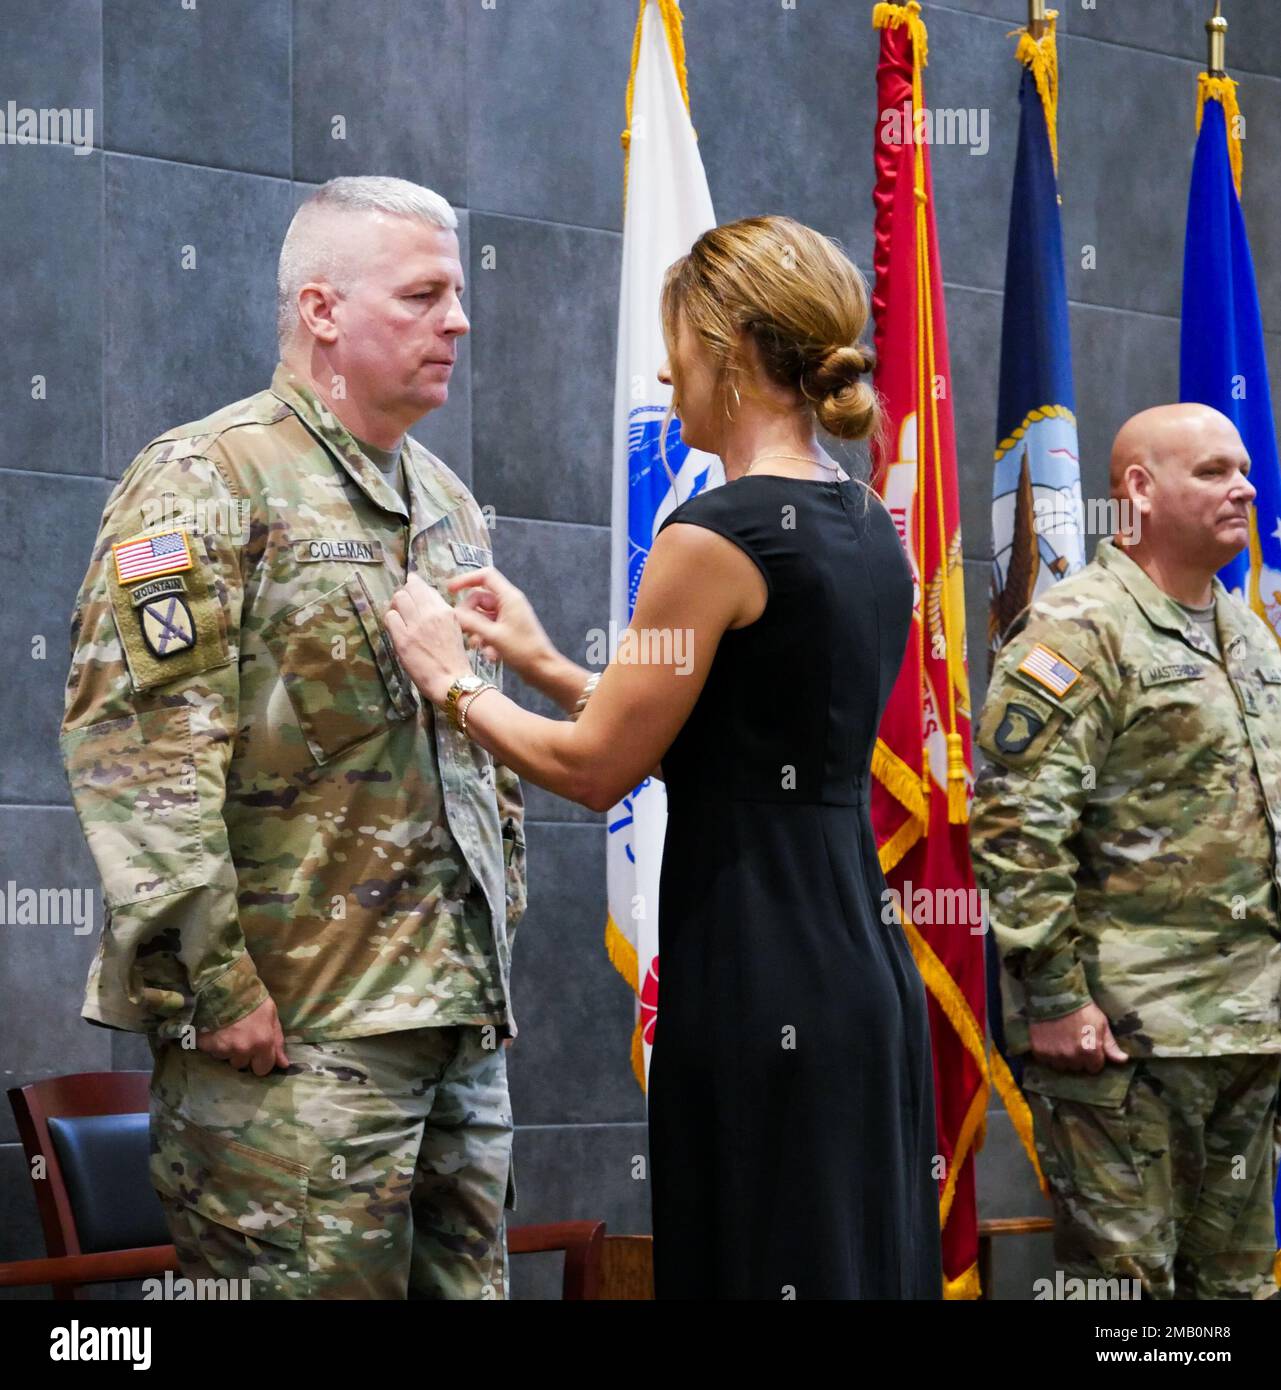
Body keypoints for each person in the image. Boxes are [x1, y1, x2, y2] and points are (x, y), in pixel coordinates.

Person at [386, 214, 944, 1299]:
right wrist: (543, 662)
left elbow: (600, 770)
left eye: (678, 345)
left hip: (754, 963)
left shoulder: (716, 534)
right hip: (856, 965)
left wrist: (448, 677)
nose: (663, 369)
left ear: (731, 351)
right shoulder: (866, 520)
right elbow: (724, 736)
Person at [58, 176, 527, 1299]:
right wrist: (213, 991)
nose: (457, 320)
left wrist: (496, 927)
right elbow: (141, 757)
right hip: (295, 1052)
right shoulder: (205, 482)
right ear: (322, 309)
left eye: (457, 294)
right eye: (423, 295)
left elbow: (476, 756)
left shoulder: (449, 504)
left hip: (453, 1034)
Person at [971, 403, 1281, 1300]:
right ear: (1138, 489)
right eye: (1215, 471)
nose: (1245, 487)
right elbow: (1014, 824)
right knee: (1126, 1305)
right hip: (1124, 1044)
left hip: (1246, 1035)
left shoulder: (1249, 636)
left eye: (1244, 470)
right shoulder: (1080, 629)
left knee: (1236, 1296)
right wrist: (1056, 1000)